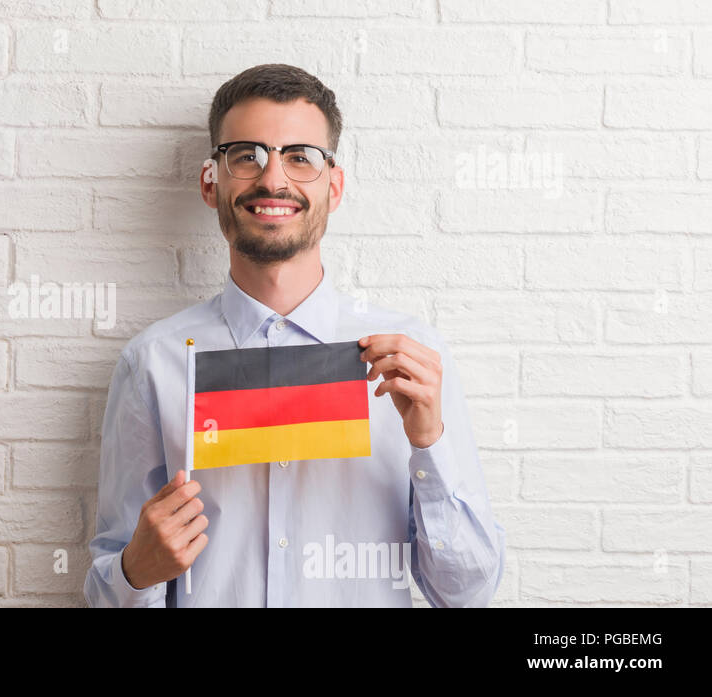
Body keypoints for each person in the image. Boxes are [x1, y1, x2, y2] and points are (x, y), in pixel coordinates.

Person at [83, 64, 506, 607]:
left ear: (334, 185)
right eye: (246, 156)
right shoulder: (154, 363)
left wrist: (430, 442)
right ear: (211, 182)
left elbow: (466, 595)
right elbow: (107, 586)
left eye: (299, 157)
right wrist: (134, 573)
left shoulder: (412, 362)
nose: (273, 179)